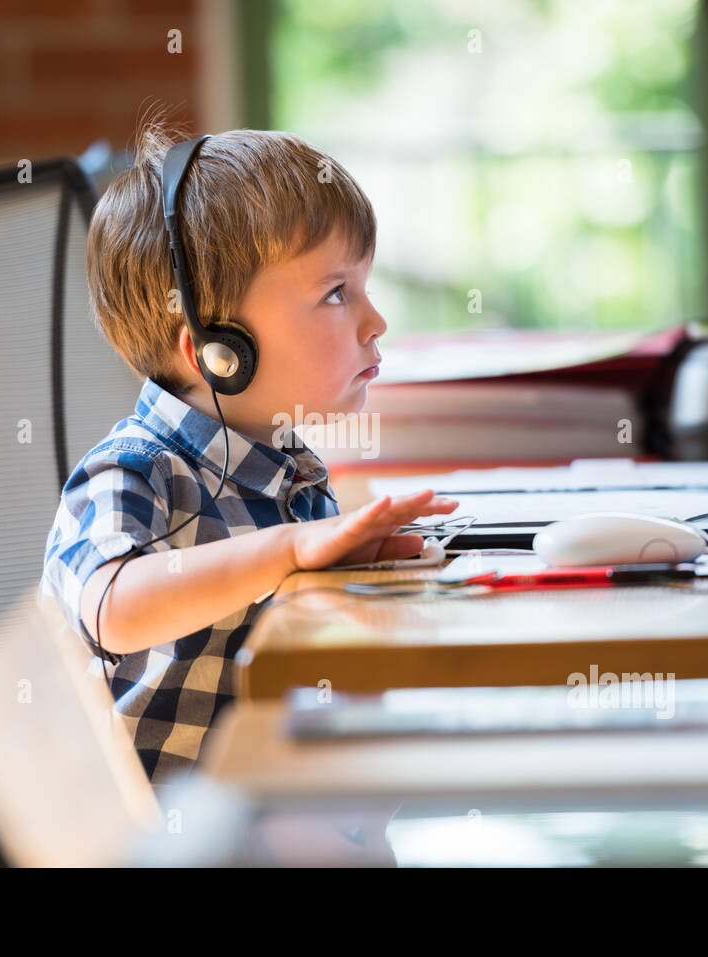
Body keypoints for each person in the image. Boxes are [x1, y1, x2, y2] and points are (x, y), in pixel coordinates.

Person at [40, 119, 457, 786]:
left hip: (256, 806)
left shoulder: (291, 475)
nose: (375, 321)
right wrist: (291, 552)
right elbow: (113, 605)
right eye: (336, 293)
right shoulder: (133, 471)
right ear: (216, 351)